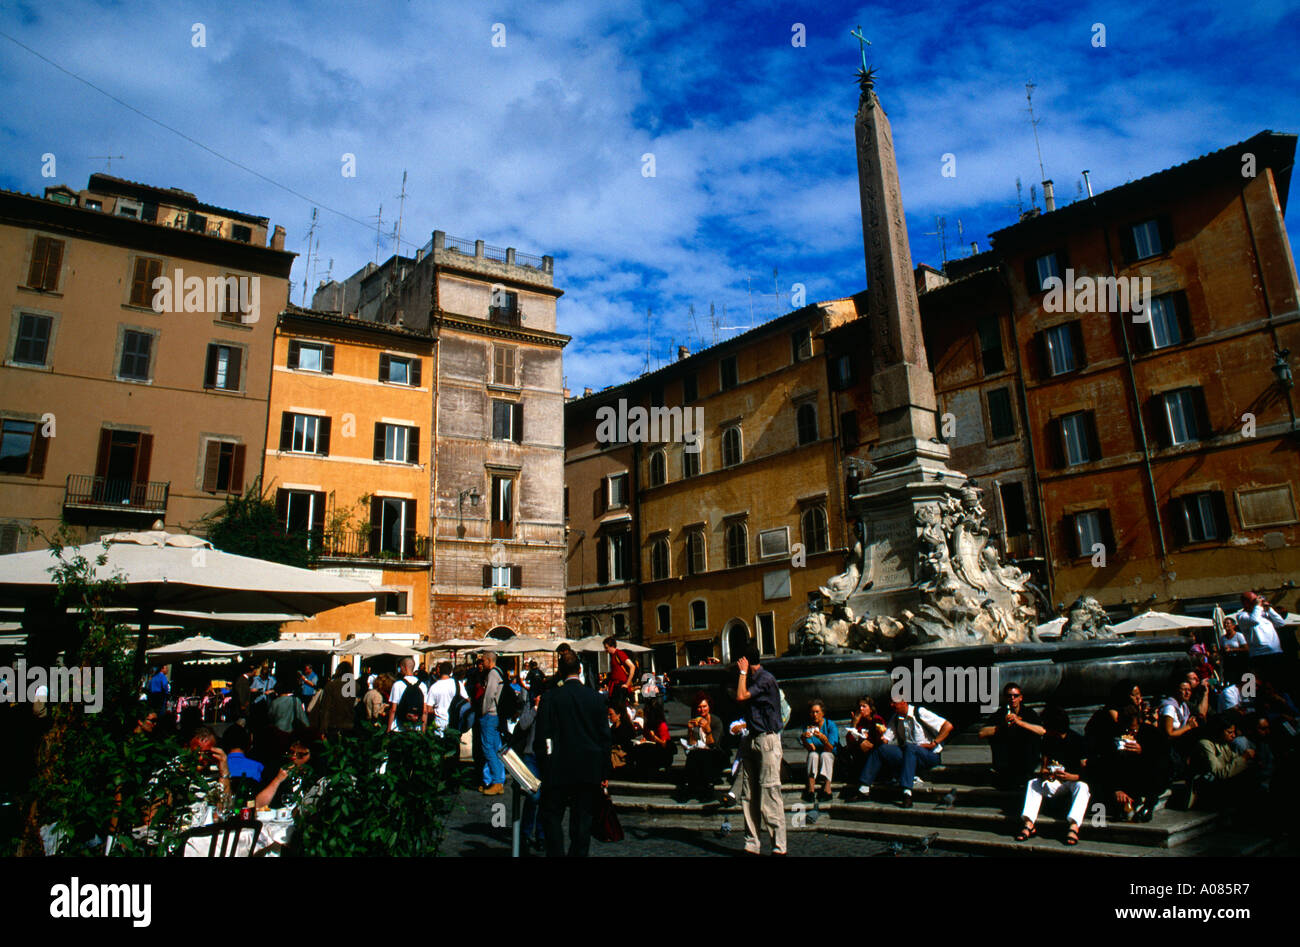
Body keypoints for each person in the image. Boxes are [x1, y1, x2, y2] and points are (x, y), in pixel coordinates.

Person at [536, 649, 611, 857]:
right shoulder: (595, 698)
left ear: (560, 672)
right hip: (588, 769)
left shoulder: (550, 698)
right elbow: (605, 738)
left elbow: (541, 737)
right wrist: (604, 772)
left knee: (551, 817)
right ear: (580, 669)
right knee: (582, 823)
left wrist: (544, 765)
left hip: (557, 769)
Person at [850, 696, 953, 808]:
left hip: (929, 755)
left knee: (910, 747)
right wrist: (874, 736)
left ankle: (907, 792)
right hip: (910, 755)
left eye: (894, 702)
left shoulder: (920, 712)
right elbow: (885, 739)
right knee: (882, 749)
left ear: (904, 701)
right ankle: (864, 789)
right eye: (890, 702)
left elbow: (948, 726)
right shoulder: (896, 718)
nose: (891, 705)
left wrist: (934, 743)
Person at [735, 646, 786, 855]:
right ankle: (752, 844)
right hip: (752, 739)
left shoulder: (765, 678)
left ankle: (779, 847)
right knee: (748, 794)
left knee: (769, 792)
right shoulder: (753, 678)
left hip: (767, 740)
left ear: (745, 660)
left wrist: (742, 673)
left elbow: (741, 696)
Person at [1016, 706, 1090, 846]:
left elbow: (1086, 772)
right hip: (1054, 782)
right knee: (1033, 783)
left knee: (1083, 787)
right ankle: (1029, 823)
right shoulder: (1047, 740)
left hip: (1072, 781)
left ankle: (1074, 826)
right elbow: (1043, 767)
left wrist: (1071, 776)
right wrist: (1046, 773)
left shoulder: (1078, 741)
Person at [979, 682, 1045, 790]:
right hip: (1007, 757)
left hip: (1025, 758)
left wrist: (1020, 723)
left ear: (1021, 698)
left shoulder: (1029, 713)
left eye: (1015, 696)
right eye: (1009, 696)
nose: (1012, 699)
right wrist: (1002, 726)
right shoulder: (1000, 714)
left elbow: (1042, 731)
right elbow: (982, 733)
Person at [1191, 715, 1258, 808]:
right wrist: (1243, 758)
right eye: (1229, 732)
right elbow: (1219, 773)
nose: (1233, 735)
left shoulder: (1223, 744)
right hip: (1206, 789)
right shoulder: (1205, 744)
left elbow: (1233, 760)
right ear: (1219, 730)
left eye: (1234, 732)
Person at [255, 739, 324, 812]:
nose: (293, 757)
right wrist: (278, 780)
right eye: (291, 752)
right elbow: (259, 803)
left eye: (300, 755)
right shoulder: (277, 769)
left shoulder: (316, 775)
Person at [680, 693, 725, 801]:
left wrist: (708, 730)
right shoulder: (695, 721)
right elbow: (691, 744)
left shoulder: (716, 721)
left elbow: (714, 745)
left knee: (703, 755)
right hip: (699, 753)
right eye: (699, 707)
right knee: (693, 754)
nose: (702, 709)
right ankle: (691, 786)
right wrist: (690, 731)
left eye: (704, 706)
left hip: (715, 753)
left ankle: (707, 787)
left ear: (709, 707)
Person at [1234, 591, 1287, 682]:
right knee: (1266, 685)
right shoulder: (1242, 616)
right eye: (1254, 600)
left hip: (1276, 652)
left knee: (1281, 683)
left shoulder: (1262, 613)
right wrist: (1258, 606)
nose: (1257, 602)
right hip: (1260, 656)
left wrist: (1269, 609)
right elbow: (1254, 620)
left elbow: (1281, 623)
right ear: (1245, 603)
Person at [477, 651, 509, 794]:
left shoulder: (492, 674)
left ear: (489, 660)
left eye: (483, 660)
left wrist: (483, 711)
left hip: (490, 715)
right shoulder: (500, 672)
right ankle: (496, 780)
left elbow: (489, 695)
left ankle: (496, 782)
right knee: (496, 747)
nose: (482, 663)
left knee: (488, 748)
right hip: (497, 715)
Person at [801, 699, 839, 802]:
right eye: (812, 712)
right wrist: (804, 739)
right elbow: (811, 748)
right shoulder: (808, 727)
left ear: (822, 713)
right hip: (816, 754)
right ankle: (811, 789)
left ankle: (827, 788)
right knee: (813, 755)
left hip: (829, 753)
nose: (814, 715)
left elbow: (830, 748)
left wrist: (823, 739)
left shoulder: (830, 725)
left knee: (825, 755)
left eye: (817, 712)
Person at [628, 696, 674, 778]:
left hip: (662, 752)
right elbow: (646, 737)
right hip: (651, 747)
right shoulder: (647, 725)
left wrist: (654, 737)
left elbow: (665, 744)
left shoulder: (661, 725)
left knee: (646, 750)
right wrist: (644, 740)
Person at [312, 661, 357, 741]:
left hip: (333, 724)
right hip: (349, 724)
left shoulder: (331, 685)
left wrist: (323, 728)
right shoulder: (356, 685)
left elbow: (326, 708)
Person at [388, 657, 429, 733]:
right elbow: (425, 711)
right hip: (416, 728)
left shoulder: (397, 685)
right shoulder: (422, 685)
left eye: (400, 668)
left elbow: (393, 710)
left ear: (404, 668)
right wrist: (423, 731)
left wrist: (388, 730)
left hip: (399, 728)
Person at [603, 636, 637, 702]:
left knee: (619, 707)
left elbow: (632, 666)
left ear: (612, 646)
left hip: (620, 686)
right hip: (615, 685)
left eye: (606, 647)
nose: (605, 649)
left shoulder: (619, 653)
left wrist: (627, 684)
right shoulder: (613, 656)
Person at [426, 661, 457, 736]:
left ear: (439, 671)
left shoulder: (434, 687)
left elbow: (429, 709)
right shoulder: (457, 685)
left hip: (439, 724)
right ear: (451, 671)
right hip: (454, 723)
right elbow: (467, 700)